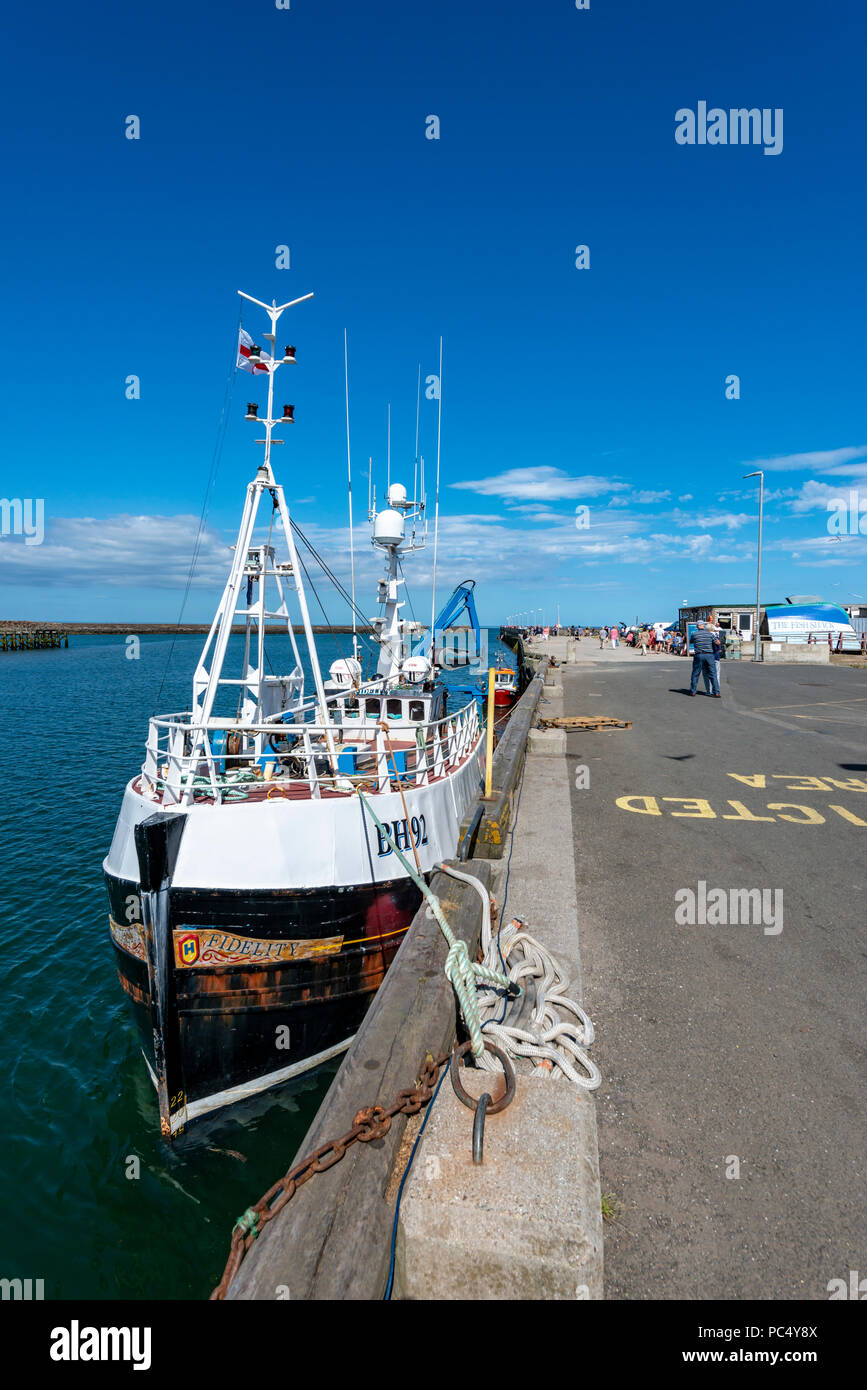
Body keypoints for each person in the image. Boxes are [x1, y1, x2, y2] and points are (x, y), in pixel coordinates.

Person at [689, 621, 720, 697]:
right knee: (713, 674)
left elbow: (691, 642)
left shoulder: (694, 634)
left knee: (695, 674)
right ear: (704, 626)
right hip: (709, 655)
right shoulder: (710, 634)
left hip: (699, 655)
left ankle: (693, 691)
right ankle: (716, 692)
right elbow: (717, 642)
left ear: (697, 627)